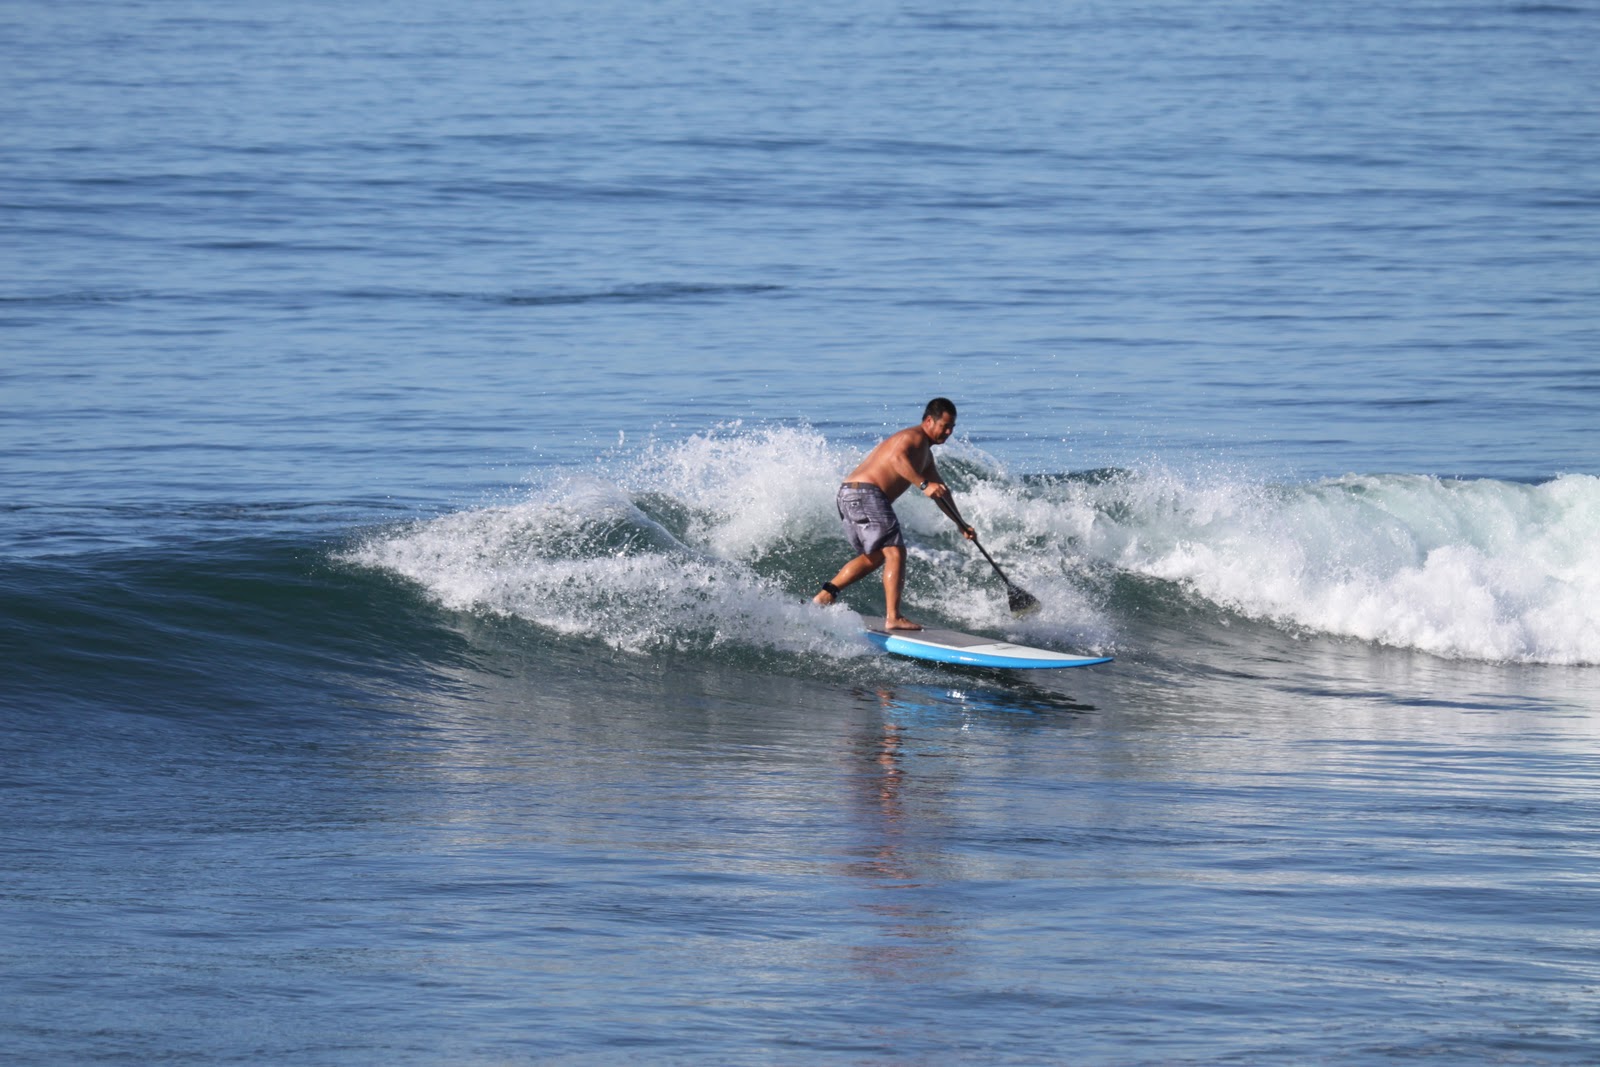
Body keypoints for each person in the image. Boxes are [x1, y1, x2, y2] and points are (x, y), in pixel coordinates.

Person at [813, 398, 976, 631]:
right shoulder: (914, 437)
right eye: (944, 426)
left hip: (850, 494)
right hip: (867, 493)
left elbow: (941, 492)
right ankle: (894, 617)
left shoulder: (926, 456)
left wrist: (961, 523)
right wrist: (923, 485)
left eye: (952, 428)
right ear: (929, 421)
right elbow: (897, 459)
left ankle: (826, 595)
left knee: (877, 556)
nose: (948, 432)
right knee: (895, 552)